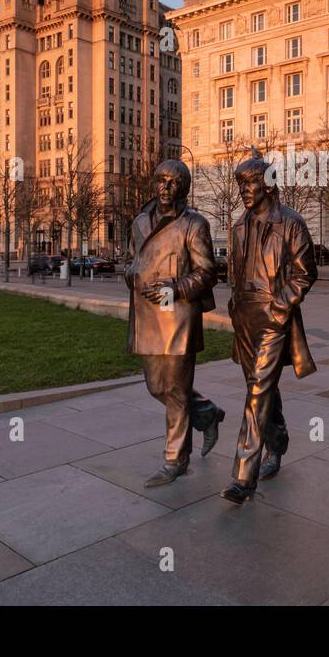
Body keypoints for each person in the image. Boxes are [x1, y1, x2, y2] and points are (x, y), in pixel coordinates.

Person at [221, 150, 317, 505]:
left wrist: (280, 306)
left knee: (258, 390)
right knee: (261, 387)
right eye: (241, 183)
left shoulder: (290, 223)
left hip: (274, 317)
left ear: (268, 184)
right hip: (245, 316)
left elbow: (303, 274)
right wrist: (234, 307)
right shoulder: (238, 224)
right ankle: (278, 442)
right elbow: (234, 270)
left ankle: (243, 477)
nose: (245, 190)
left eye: (251, 182)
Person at [124, 160, 226, 487]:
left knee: (177, 391)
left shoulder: (193, 224)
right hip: (148, 314)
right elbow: (131, 260)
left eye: (173, 182)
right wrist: (131, 274)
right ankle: (208, 413)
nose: (165, 188)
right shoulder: (140, 222)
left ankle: (175, 459)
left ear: (183, 187)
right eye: (160, 181)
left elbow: (208, 272)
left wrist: (176, 287)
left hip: (178, 314)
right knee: (157, 387)